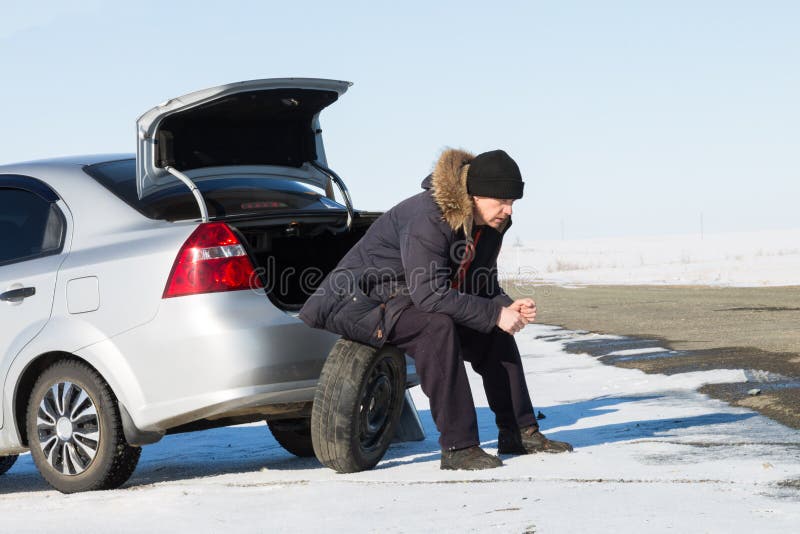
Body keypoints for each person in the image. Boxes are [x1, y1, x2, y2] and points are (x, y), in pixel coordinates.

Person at [300, 148, 572, 470]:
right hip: (362, 300)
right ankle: (459, 447)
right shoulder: (429, 216)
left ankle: (519, 432)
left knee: (494, 334)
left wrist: (504, 306)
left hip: (409, 298)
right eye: (501, 201)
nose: (508, 210)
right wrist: (495, 313)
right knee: (436, 327)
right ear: (474, 195)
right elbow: (430, 295)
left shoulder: (486, 225)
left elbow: (481, 286)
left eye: (513, 202)